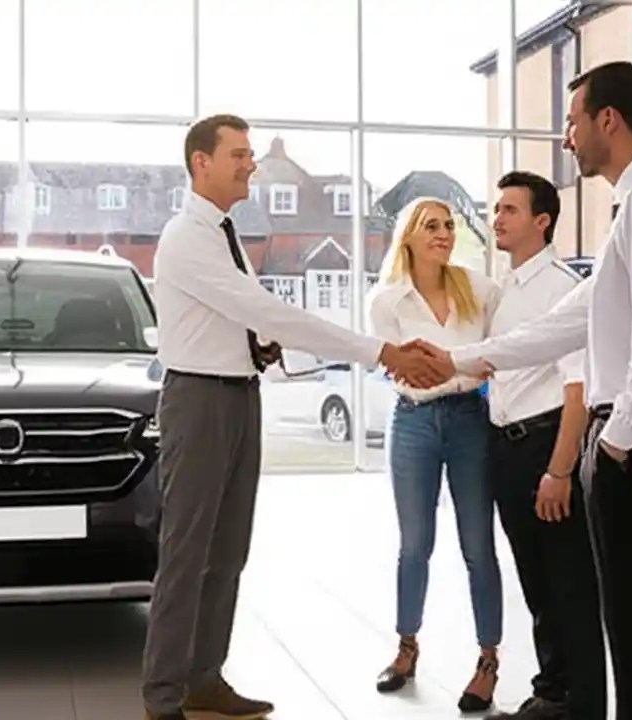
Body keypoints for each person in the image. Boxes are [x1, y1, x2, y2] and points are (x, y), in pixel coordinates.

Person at [424, 61, 632, 720]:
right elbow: (568, 322)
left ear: (607, 121)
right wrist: (458, 359)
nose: (567, 137)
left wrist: (615, 443)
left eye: (572, 120)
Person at [142, 113, 444, 720]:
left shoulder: (225, 233)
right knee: (187, 551)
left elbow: (245, 316)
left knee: (228, 551)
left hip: (237, 394)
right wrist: (379, 351)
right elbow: (265, 308)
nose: (250, 163)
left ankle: (205, 677)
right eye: (239, 154)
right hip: (198, 400)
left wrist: (255, 342)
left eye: (251, 153)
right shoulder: (187, 236)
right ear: (201, 162)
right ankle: (163, 695)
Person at [367, 196, 505, 714]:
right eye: (432, 226)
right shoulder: (388, 301)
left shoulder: (477, 287)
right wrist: (448, 368)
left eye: (448, 226)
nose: (444, 234)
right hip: (414, 423)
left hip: (471, 420)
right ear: (409, 235)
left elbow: (503, 345)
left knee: (478, 547)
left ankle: (488, 660)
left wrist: (455, 368)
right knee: (414, 546)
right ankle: (406, 650)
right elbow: (397, 369)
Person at [481, 171, 605, 720]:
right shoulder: (503, 288)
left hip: (544, 446)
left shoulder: (561, 288)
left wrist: (559, 471)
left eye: (510, 209)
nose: (497, 219)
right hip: (507, 448)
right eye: (497, 209)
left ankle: (578, 703)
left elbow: (578, 390)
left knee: (568, 582)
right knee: (536, 580)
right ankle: (552, 691)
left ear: (542, 220)